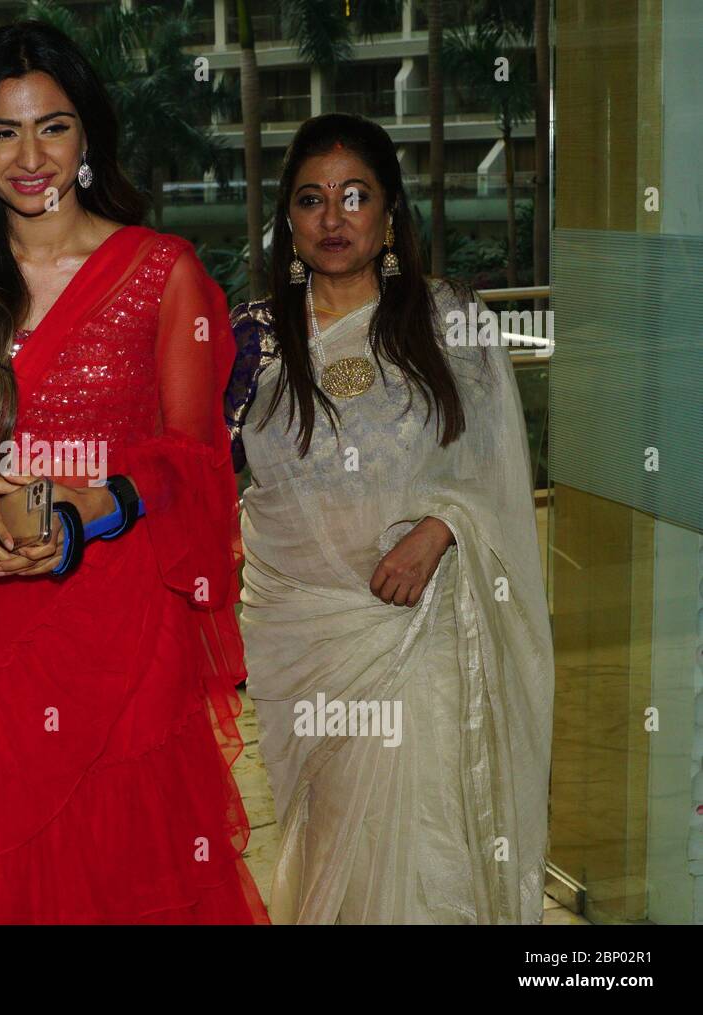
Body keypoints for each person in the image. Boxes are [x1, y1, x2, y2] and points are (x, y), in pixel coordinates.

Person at [0, 21, 268, 924]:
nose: (31, 156)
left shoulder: (162, 273)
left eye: (52, 127)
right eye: (3, 130)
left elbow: (193, 460)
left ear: (87, 135)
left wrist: (87, 511)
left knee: (127, 870)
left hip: (120, 613)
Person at [226, 113, 554, 924]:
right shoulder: (252, 340)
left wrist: (439, 527)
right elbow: (198, 475)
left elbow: (495, 468)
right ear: (287, 220)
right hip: (306, 639)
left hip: (427, 626)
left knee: (427, 835)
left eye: (354, 196)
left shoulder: (447, 320)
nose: (332, 219)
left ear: (390, 210)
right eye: (310, 200)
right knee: (336, 836)